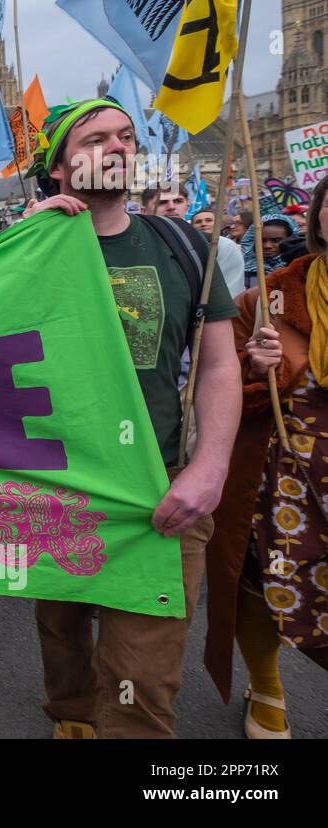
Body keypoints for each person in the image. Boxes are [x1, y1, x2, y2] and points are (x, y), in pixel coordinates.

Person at [26, 97, 241, 738]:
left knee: (142, 680)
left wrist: (209, 468)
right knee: (63, 630)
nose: (119, 147)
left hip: (162, 490)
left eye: (126, 136)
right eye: (95, 140)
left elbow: (218, 367)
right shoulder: (25, 250)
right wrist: (19, 245)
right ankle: (71, 717)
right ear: (59, 169)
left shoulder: (183, 246)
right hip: (58, 487)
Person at [205, 173, 328, 739]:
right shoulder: (269, 296)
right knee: (261, 578)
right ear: (318, 216)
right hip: (288, 473)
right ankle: (268, 685)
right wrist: (258, 367)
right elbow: (220, 381)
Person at [155, 187, 245, 297]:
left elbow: (230, 294)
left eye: (178, 201)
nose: (171, 207)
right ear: (144, 209)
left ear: (187, 205)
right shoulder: (138, 245)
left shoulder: (222, 246)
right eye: (162, 202)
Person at [242, 215, 296, 289]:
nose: (268, 246)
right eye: (262, 241)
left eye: (276, 240)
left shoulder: (299, 266)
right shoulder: (247, 271)